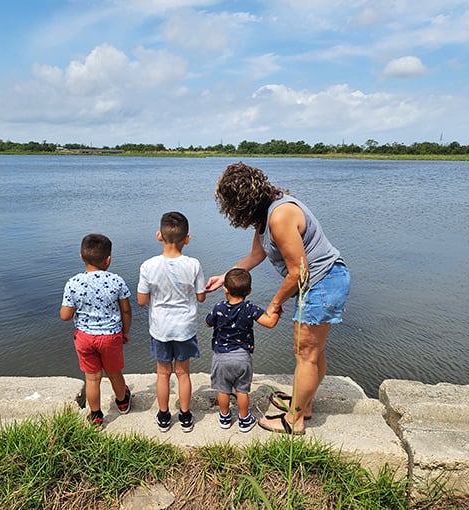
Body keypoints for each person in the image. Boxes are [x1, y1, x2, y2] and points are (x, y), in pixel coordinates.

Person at [206, 162, 350, 435]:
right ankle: (302, 404)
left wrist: (274, 303)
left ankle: (293, 420)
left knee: (305, 354)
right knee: (312, 352)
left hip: (322, 282)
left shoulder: (279, 216)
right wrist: (225, 276)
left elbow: (299, 271)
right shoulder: (266, 213)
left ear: (240, 203)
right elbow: (255, 256)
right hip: (318, 282)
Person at [137, 212, 206, 433]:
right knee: (183, 373)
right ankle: (185, 416)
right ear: (187, 238)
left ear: (159, 235)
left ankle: (164, 415)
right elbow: (201, 296)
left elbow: (141, 300)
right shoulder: (194, 264)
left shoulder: (148, 266)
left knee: (163, 373)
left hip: (160, 329)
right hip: (185, 328)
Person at [60, 233, 132, 427]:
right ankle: (123, 402)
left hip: (84, 338)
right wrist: (125, 332)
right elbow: (126, 309)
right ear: (108, 260)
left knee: (92, 378)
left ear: (81, 257)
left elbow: (65, 315)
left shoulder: (73, 283)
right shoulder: (117, 281)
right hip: (110, 336)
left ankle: (96, 415)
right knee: (114, 373)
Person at [206, 267, 281, 432]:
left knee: (223, 390)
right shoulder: (250, 308)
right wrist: (277, 312)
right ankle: (244, 420)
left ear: (225, 289)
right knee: (242, 391)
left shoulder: (218, 308)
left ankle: (225, 418)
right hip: (242, 357)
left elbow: (207, 322)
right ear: (249, 291)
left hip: (221, 357)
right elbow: (270, 323)